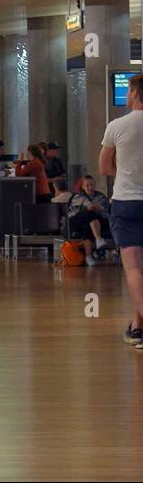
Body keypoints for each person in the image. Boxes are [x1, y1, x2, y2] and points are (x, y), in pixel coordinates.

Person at [100, 71, 143, 348]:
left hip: (127, 203)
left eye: (128, 91)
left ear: (136, 94)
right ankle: (137, 327)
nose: (126, 96)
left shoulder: (117, 125)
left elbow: (104, 167)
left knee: (134, 269)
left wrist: (126, 174)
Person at [68, 175, 111, 262]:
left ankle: (88, 256)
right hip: (77, 222)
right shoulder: (78, 197)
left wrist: (100, 209)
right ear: (83, 187)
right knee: (89, 213)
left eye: (91, 185)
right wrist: (86, 209)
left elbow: (107, 213)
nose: (90, 187)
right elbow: (72, 213)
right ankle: (98, 239)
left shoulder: (101, 197)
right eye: (87, 185)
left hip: (96, 223)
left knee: (87, 225)